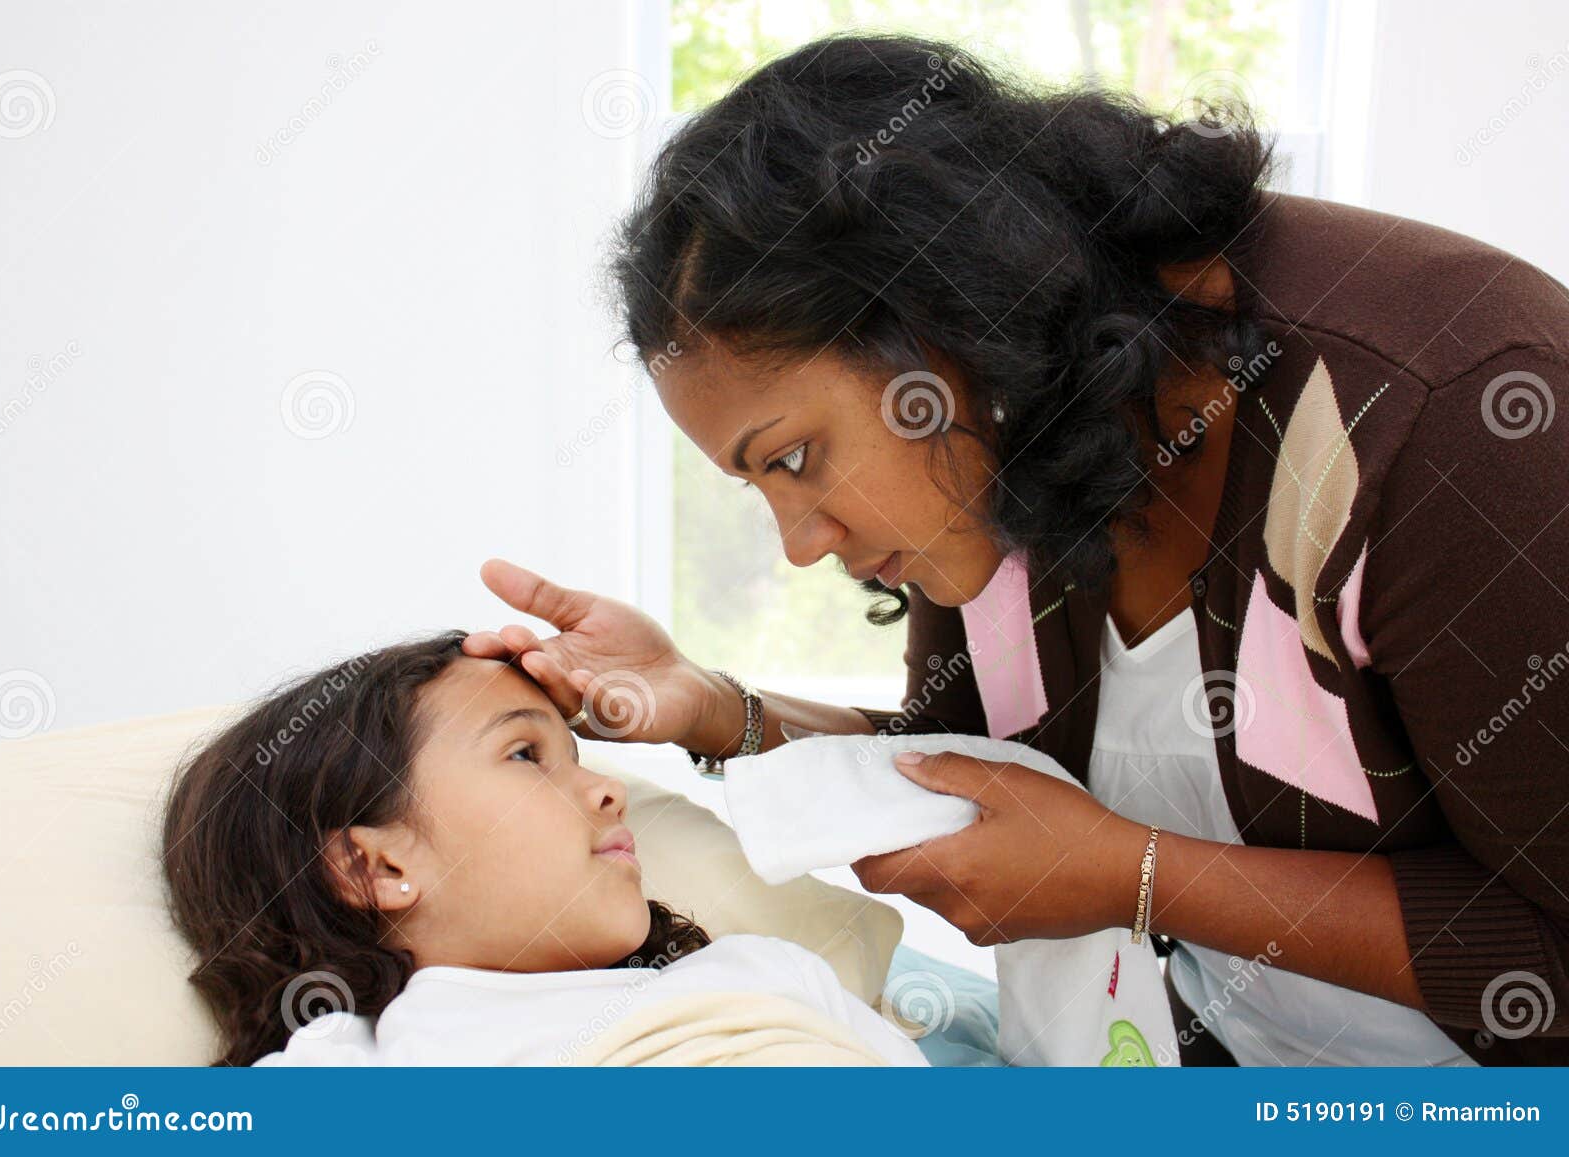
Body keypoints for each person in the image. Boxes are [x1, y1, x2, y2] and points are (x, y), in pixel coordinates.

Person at [463, 34, 1569, 1064]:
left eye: (794, 458)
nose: (800, 544)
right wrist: (717, 707)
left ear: (948, 320)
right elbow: (977, 775)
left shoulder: (1439, 419)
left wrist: (1138, 879)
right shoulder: (1009, 443)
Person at [161, 631, 924, 1067]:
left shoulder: (764, 969)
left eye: (579, 756)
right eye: (527, 755)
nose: (607, 791)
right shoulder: (357, 1059)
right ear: (379, 865)